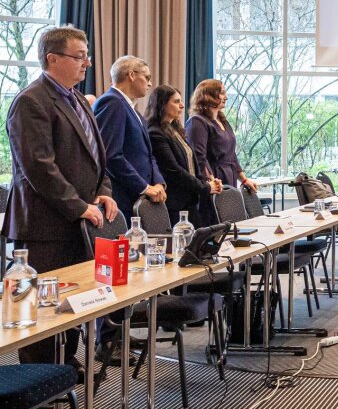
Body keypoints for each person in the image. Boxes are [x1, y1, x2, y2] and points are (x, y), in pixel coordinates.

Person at [1, 25, 118, 366]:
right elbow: (40, 168)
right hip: (44, 225)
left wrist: (104, 192)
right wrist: (79, 205)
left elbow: (97, 156)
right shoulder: (30, 101)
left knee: (71, 304)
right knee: (44, 309)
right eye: (80, 56)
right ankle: (38, 381)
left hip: (78, 222)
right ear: (53, 59)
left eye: (87, 56)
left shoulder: (78, 98)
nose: (88, 63)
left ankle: (64, 369)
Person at [93, 56, 166, 218]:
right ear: (132, 75)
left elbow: (148, 155)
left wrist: (158, 182)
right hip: (123, 198)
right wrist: (144, 187)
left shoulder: (134, 111)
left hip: (141, 197)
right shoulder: (112, 102)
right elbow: (111, 155)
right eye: (147, 77)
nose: (150, 83)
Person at [146, 85, 223, 226]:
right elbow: (173, 170)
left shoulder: (175, 130)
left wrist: (206, 183)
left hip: (189, 201)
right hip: (174, 203)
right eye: (176, 101)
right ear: (162, 104)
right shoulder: (155, 132)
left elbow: (191, 164)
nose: (181, 106)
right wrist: (205, 187)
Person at [185, 79, 258, 194]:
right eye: (222, 93)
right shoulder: (198, 121)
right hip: (213, 180)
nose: (226, 97)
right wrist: (212, 182)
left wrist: (244, 180)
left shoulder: (223, 120)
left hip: (229, 177)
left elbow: (232, 156)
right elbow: (199, 157)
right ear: (208, 96)